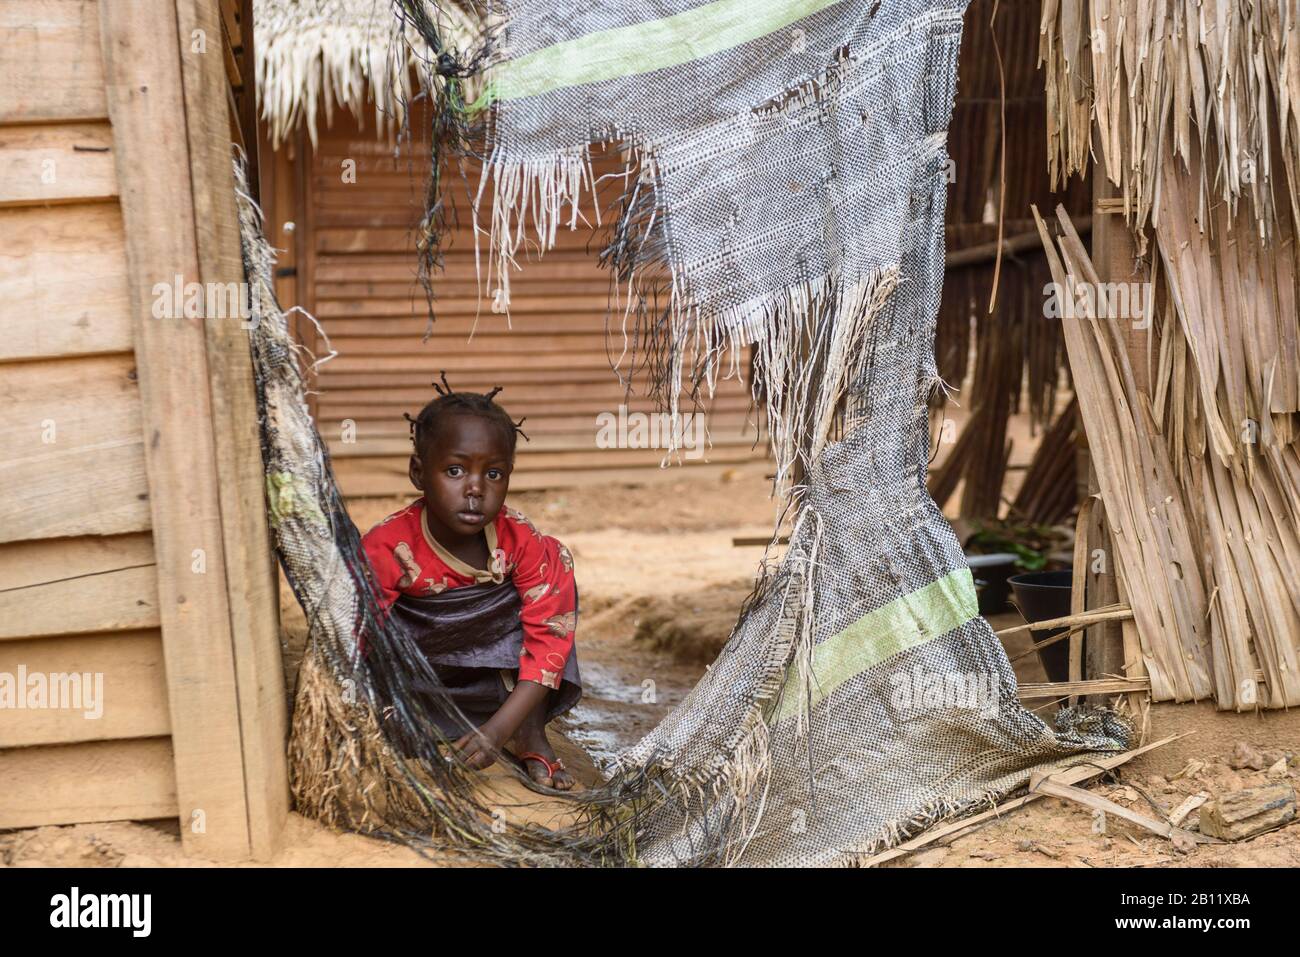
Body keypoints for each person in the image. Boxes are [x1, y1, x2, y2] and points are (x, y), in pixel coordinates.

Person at [361, 376, 579, 790]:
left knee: (556, 582)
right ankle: (410, 724)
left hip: (495, 686)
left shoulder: (524, 544)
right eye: (455, 470)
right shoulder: (387, 546)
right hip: (422, 680)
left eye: (494, 473)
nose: (476, 489)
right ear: (418, 472)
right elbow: (358, 639)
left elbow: (548, 644)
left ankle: (528, 732)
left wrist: (498, 731)